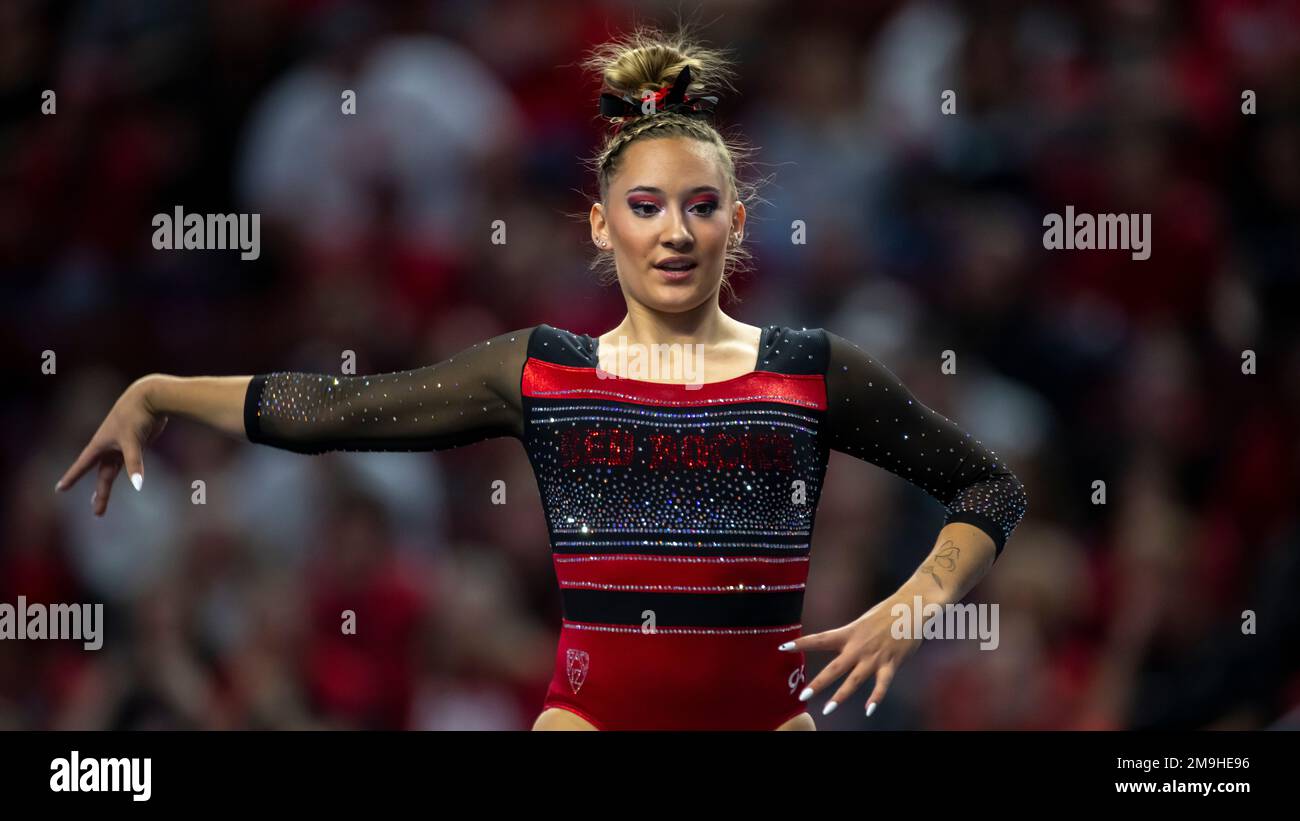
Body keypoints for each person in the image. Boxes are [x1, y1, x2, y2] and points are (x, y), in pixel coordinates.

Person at [56, 26, 1027, 730]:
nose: (674, 231)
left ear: (735, 224)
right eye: (645, 205)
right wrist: (163, 390)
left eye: (700, 206)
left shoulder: (809, 371)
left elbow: (988, 484)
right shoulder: (544, 369)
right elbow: (342, 408)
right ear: (602, 225)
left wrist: (910, 603)